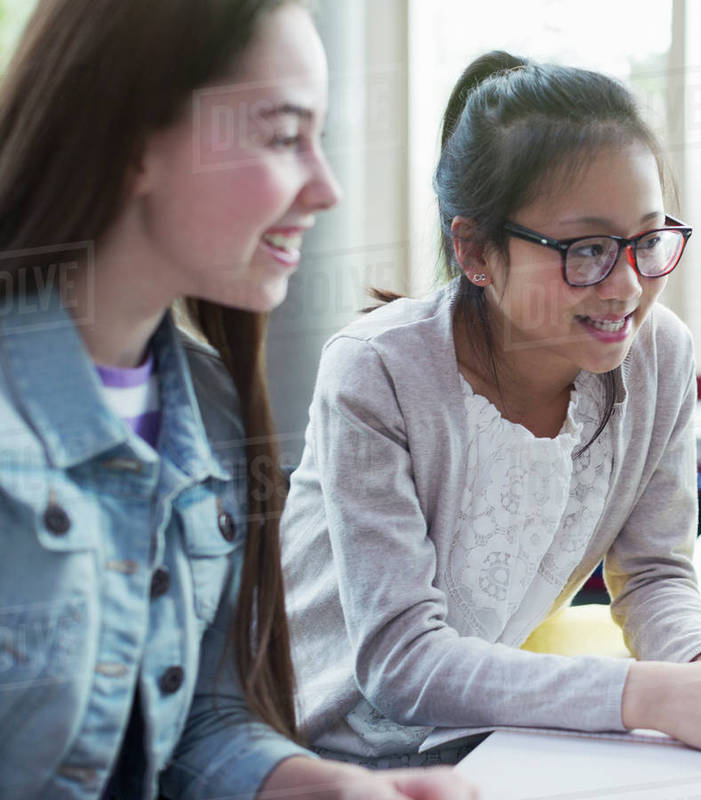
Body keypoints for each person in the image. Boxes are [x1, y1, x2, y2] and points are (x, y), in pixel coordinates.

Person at [280, 50, 701, 767]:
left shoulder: (659, 354)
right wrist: (655, 696)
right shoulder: (377, 370)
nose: (626, 286)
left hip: (486, 736)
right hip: (326, 754)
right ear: (475, 251)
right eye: (587, 249)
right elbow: (402, 663)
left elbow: (657, 577)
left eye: (647, 240)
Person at [0, 1, 475, 798]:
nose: (325, 188)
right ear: (134, 138)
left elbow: (198, 728)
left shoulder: (210, 406)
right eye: (286, 136)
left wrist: (323, 788)